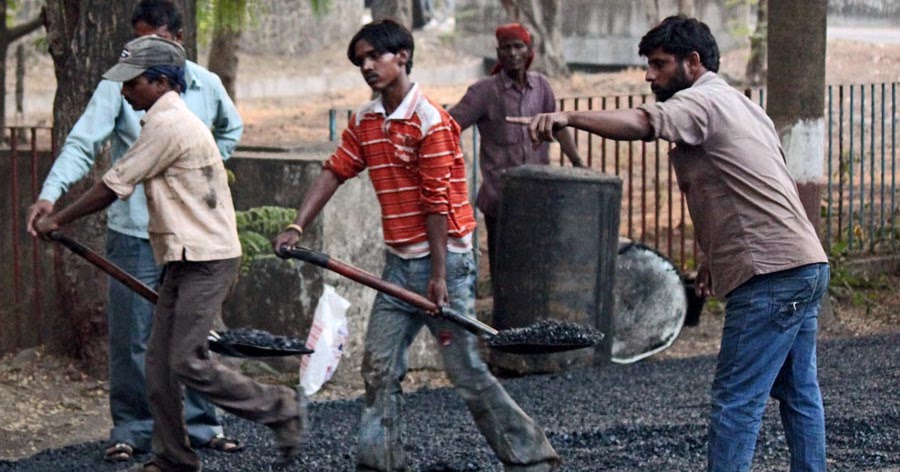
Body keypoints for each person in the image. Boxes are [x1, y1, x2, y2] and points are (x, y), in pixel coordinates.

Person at [509, 15, 830, 472]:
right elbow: (752, 184)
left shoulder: (700, 102)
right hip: (805, 264)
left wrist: (569, 116)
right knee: (799, 392)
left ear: (693, 62)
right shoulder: (741, 104)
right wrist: (710, 255)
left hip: (770, 275)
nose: (648, 75)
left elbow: (644, 122)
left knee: (735, 399)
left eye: (659, 64)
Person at [272, 19, 559, 472]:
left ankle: (531, 455)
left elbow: (438, 203)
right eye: (360, 61)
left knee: (464, 370)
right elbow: (335, 169)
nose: (366, 67)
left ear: (402, 56)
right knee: (378, 368)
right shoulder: (366, 120)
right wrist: (297, 225)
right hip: (398, 266)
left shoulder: (430, 121)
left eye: (374, 57)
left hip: (445, 264)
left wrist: (440, 277)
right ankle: (380, 463)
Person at [32, 35, 305, 472]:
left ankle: (279, 406)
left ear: (160, 82)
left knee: (186, 361)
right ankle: (174, 456)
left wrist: (58, 219)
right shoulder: (161, 119)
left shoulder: (169, 125)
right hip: (182, 256)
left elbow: (113, 185)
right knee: (158, 368)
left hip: (208, 259)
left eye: (132, 83)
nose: (124, 92)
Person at [24, 0, 244, 462]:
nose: (142, 51)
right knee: (135, 337)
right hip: (136, 230)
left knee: (192, 336)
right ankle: (133, 426)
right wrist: (51, 194)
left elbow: (231, 130)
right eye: (136, 42)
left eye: (155, 41)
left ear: (178, 42)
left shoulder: (208, 85)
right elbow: (84, 143)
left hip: (192, 237)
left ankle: (203, 425)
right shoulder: (123, 84)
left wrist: (199, 172)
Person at [448, 23, 582, 283]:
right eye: (506, 48)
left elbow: (560, 126)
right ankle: (504, 323)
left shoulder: (541, 86)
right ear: (498, 53)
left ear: (529, 50)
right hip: (501, 200)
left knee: (539, 266)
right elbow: (449, 126)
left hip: (538, 196)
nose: (512, 53)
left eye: (518, 46)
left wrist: (578, 162)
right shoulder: (484, 91)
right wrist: (454, 161)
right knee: (505, 272)